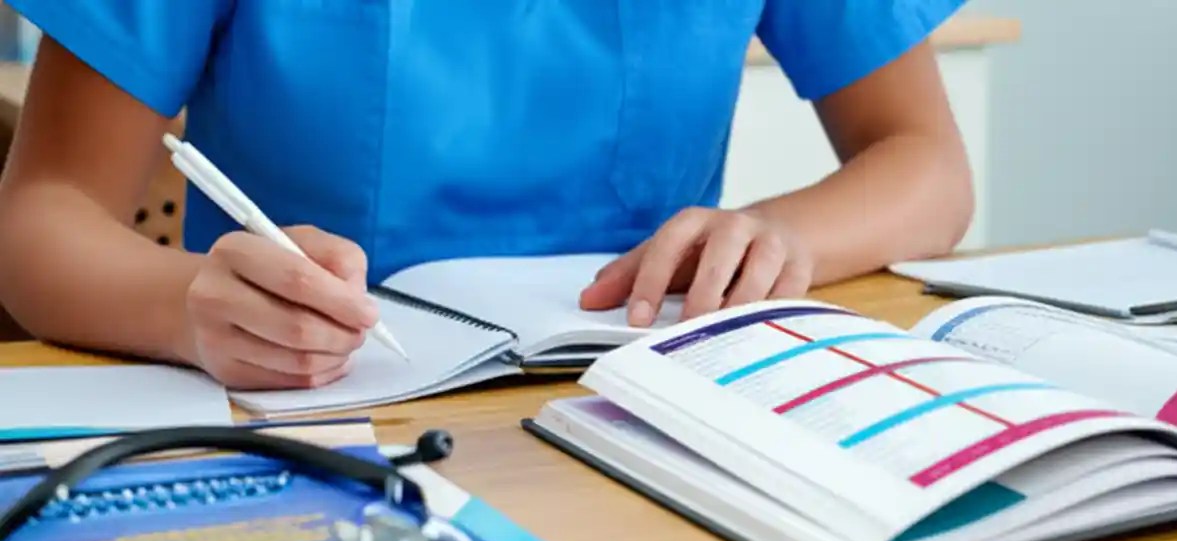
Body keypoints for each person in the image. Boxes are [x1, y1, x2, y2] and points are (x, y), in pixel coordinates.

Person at [0, 2, 975, 390]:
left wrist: (778, 234)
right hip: (320, 419)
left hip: (649, 412)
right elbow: (40, 215)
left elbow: (924, 163)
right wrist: (186, 311)